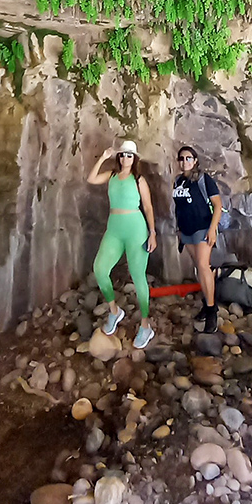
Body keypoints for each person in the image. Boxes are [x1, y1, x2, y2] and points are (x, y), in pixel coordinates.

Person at [87, 140, 157, 349]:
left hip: (136, 228)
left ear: (134, 159)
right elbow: (91, 178)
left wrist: (152, 233)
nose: (125, 158)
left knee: (138, 276)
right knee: (100, 269)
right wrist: (103, 157)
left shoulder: (139, 179)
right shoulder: (112, 176)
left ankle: (145, 326)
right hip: (114, 228)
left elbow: (148, 207)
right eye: (123, 154)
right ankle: (115, 311)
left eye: (129, 155)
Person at [172, 145, 222, 334]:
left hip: (203, 228)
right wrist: (179, 230)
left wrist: (212, 229)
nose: (184, 161)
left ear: (195, 161)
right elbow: (179, 208)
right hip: (186, 231)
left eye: (188, 158)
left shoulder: (203, 179)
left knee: (202, 265)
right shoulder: (178, 181)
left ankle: (211, 312)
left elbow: (218, 205)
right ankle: (208, 303)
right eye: (181, 158)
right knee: (201, 269)